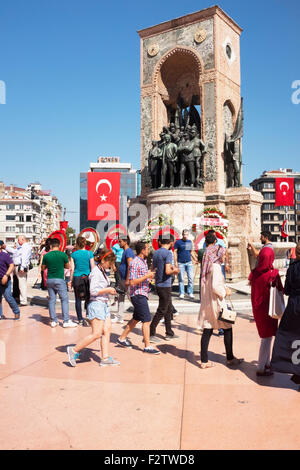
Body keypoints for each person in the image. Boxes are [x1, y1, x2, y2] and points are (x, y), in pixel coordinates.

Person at [67, 248, 120, 367]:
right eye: (110, 263)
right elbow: (93, 291)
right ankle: (74, 350)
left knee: (107, 331)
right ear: (104, 260)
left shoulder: (101, 271)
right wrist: (108, 290)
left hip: (103, 304)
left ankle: (105, 358)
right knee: (96, 333)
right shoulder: (96, 272)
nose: (111, 266)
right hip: (96, 305)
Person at [198, 232, 243, 369]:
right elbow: (216, 287)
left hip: (207, 303)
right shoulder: (216, 267)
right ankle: (229, 358)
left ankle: (204, 361)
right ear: (217, 254)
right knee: (228, 328)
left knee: (208, 328)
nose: (224, 257)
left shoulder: (206, 266)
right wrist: (226, 291)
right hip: (217, 304)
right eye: (223, 254)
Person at [117, 241, 160, 354]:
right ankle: (147, 346)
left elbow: (142, 277)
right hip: (138, 294)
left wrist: (150, 275)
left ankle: (121, 338)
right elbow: (132, 282)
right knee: (146, 320)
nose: (149, 250)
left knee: (136, 318)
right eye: (147, 248)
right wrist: (147, 276)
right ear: (142, 250)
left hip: (142, 293)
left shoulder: (143, 262)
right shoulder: (136, 262)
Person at [248, 239, 283, 376]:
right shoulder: (273, 274)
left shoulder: (254, 273)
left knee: (265, 337)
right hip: (269, 309)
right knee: (267, 338)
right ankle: (261, 367)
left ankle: (267, 364)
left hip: (258, 309)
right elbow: (282, 289)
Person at [271, 242, 300, 387]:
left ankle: (296, 370)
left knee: (292, 337)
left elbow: (287, 290)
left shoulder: (292, 268)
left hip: (295, 306)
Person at [41, 238, 78, 328]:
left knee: (52, 300)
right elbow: (67, 266)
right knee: (64, 300)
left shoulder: (46, 255)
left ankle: (53, 321)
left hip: (49, 280)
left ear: (51, 246)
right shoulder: (63, 255)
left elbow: (43, 268)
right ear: (59, 245)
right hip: (60, 279)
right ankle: (66, 320)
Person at [150, 237, 180, 342]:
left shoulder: (156, 252)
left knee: (168, 309)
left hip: (159, 284)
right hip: (165, 285)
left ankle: (169, 332)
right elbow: (167, 271)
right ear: (171, 243)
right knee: (162, 309)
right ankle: (151, 332)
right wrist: (175, 270)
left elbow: (152, 268)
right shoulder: (168, 253)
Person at [70, 236, 95, 326]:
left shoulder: (73, 254)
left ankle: (80, 319)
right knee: (89, 298)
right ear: (85, 243)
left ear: (77, 244)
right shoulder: (89, 254)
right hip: (87, 278)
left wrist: (70, 281)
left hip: (77, 278)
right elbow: (93, 268)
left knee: (78, 299)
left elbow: (72, 269)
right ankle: (88, 316)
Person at [6, 235, 32, 306]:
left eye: (19, 240)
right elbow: (14, 252)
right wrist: (6, 247)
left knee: (22, 285)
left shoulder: (26, 247)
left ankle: (23, 301)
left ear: (23, 239)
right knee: (20, 284)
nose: (18, 241)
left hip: (20, 266)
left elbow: (25, 257)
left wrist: (22, 268)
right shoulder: (21, 247)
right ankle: (21, 299)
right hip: (17, 266)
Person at [0, 241, 20, 320]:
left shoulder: (5, 255)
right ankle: (0, 314)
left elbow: (11, 266)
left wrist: (6, 275)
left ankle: (16, 312)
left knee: (8, 296)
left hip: (4, 279)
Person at [116, 236, 134, 323]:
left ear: (125, 242)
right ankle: (119, 316)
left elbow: (130, 266)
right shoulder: (125, 251)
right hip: (122, 278)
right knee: (120, 296)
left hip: (126, 279)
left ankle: (141, 313)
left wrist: (127, 279)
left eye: (120, 241)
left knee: (131, 297)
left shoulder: (129, 252)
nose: (119, 243)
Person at [174, 229, 195, 299]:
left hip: (189, 262)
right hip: (181, 263)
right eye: (184, 234)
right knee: (181, 279)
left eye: (187, 235)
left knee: (191, 278)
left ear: (188, 235)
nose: (185, 236)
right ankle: (182, 293)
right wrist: (175, 262)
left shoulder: (189, 242)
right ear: (182, 235)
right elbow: (175, 252)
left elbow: (191, 252)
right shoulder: (178, 242)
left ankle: (190, 292)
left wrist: (195, 259)